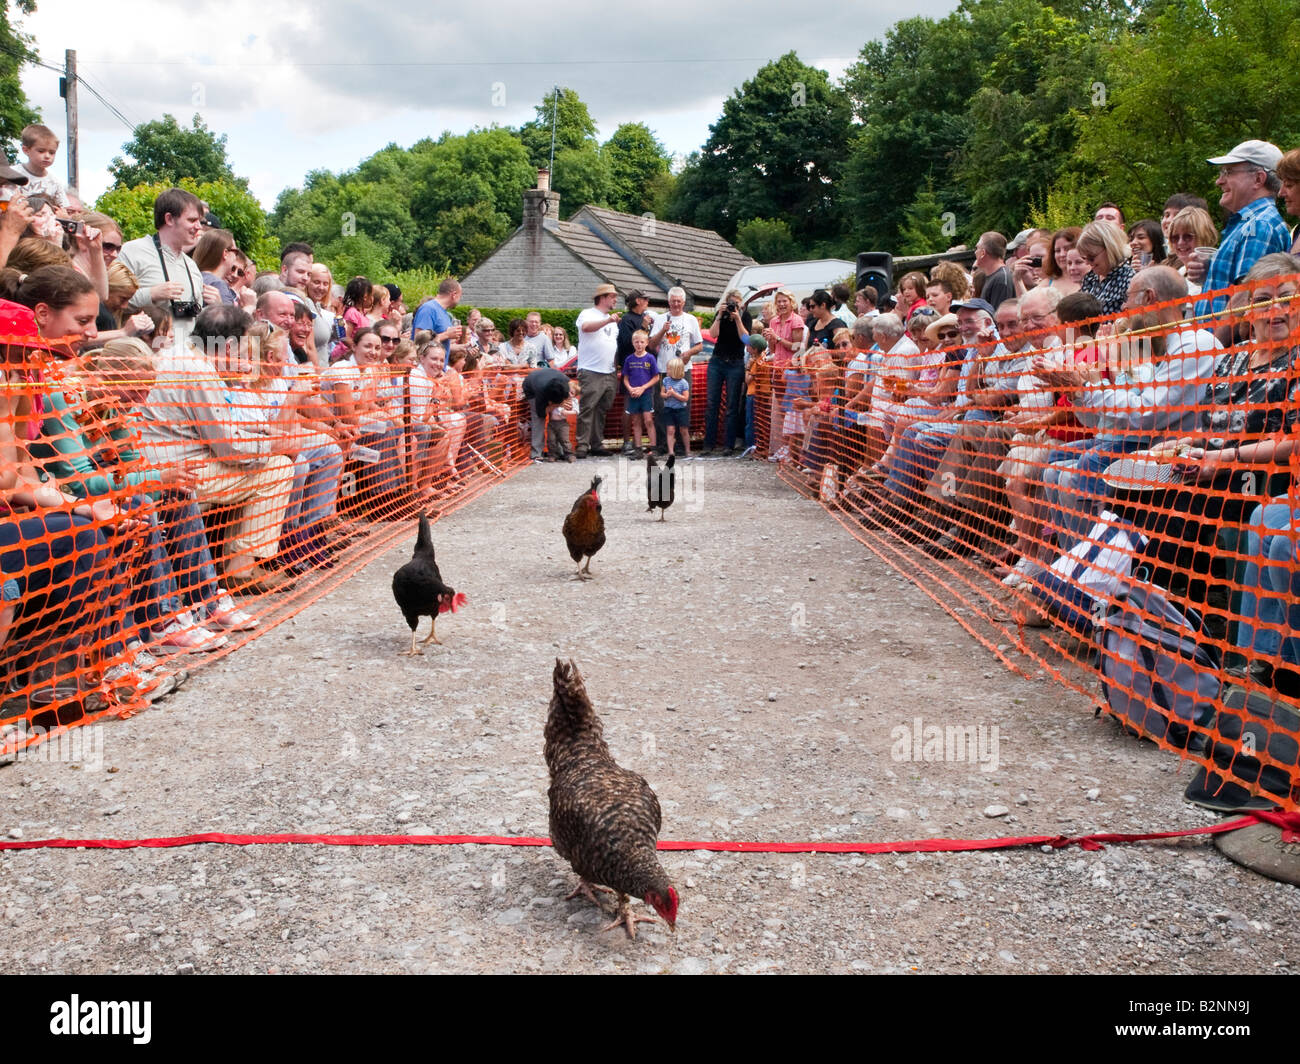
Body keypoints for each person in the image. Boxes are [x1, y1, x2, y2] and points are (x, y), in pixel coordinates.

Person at [137, 304, 296, 593]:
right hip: (178, 475)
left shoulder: (175, 356)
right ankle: (241, 568)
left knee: (264, 463)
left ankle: (236, 564)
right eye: (243, 349)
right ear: (230, 344)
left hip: (161, 465)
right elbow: (229, 447)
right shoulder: (199, 370)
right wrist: (271, 446)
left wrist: (259, 434)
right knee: (278, 468)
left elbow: (219, 432)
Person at [1189, 140, 1291, 318]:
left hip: (1224, 345)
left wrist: (1214, 344)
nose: (1219, 181)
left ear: (1258, 179)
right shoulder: (1249, 223)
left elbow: (1243, 300)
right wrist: (1211, 272)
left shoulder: (1260, 226)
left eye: (1228, 172)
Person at [116, 187, 215, 351]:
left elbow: (193, 318)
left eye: (200, 221)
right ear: (169, 219)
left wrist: (214, 307)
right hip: (143, 359)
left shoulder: (192, 266)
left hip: (184, 361)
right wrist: (152, 294)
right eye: (192, 220)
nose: (199, 227)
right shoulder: (132, 251)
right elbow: (110, 302)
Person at [649, 286, 703, 454]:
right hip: (664, 369)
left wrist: (689, 353)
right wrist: (662, 331)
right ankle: (662, 446)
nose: (676, 304)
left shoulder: (691, 320)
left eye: (679, 301)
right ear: (668, 302)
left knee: (682, 406)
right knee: (661, 407)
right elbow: (651, 344)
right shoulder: (660, 319)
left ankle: (680, 446)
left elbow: (700, 345)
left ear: (684, 302)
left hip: (682, 370)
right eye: (673, 301)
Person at [574, 283, 622, 458]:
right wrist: (608, 320)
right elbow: (586, 327)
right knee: (588, 407)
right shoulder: (587, 314)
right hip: (591, 370)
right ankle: (582, 445)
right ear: (602, 298)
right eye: (612, 297)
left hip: (608, 371)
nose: (616, 300)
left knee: (602, 409)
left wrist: (615, 367)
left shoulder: (613, 321)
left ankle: (596, 443)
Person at [702, 290, 751, 455]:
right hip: (717, 360)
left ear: (741, 304)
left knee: (731, 405)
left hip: (735, 362)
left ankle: (728, 445)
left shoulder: (745, 316)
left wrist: (737, 318)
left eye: (736, 303)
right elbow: (713, 334)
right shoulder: (721, 314)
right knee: (712, 404)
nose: (733, 306)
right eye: (731, 303)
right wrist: (719, 315)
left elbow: (746, 339)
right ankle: (708, 444)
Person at [0, 125, 68, 209]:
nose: (47, 156)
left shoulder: (54, 182)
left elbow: (64, 208)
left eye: (52, 152)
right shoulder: (12, 174)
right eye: (41, 151)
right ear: (26, 150)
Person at [1076, 220, 1136, 316]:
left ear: (1110, 249)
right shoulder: (1090, 278)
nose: (1087, 263)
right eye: (1084, 258)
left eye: (1091, 257)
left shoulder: (1129, 279)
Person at [621, 329, 659, 455]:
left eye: (642, 342)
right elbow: (625, 378)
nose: (639, 345)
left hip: (646, 394)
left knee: (648, 420)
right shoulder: (629, 359)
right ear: (633, 343)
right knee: (636, 421)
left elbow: (656, 377)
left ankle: (653, 448)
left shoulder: (650, 358)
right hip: (633, 394)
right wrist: (631, 388)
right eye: (636, 342)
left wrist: (643, 388)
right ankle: (638, 449)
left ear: (647, 343)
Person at [410, 277, 463, 361]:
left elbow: (439, 344)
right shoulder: (428, 309)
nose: (460, 300)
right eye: (460, 296)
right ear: (454, 294)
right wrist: (447, 334)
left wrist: (462, 347)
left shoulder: (445, 313)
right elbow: (419, 341)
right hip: (425, 369)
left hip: (437, 370)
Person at [661, 358, 692, 461]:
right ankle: (671, 452)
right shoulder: (666, 380)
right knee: (670, 430)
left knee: (684, 430)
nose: (667, 370)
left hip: (681, 410)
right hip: (669, 409)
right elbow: (662, 394)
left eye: (669, 369)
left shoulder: (684, 383)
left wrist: (674, 394)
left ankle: (687, 450)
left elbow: (685, 398)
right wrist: (666, 395)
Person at [973, 233, 1014, 310]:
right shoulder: (994, 276)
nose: (975, 252)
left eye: (977, 248)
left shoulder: (1001, 279)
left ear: (983, 253)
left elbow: (999, 317)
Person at [547, 380, 581, 463]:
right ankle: (553, 455)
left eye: (572, 393)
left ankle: (569, 454)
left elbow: (576, 411)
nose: (569, 394)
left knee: (564, 440)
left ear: (575, 395)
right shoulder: (559, 398)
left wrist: (566, 412)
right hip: (552, 422)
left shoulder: (573, 401)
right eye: (568, 391)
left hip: (562, 423)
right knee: (551, 440)